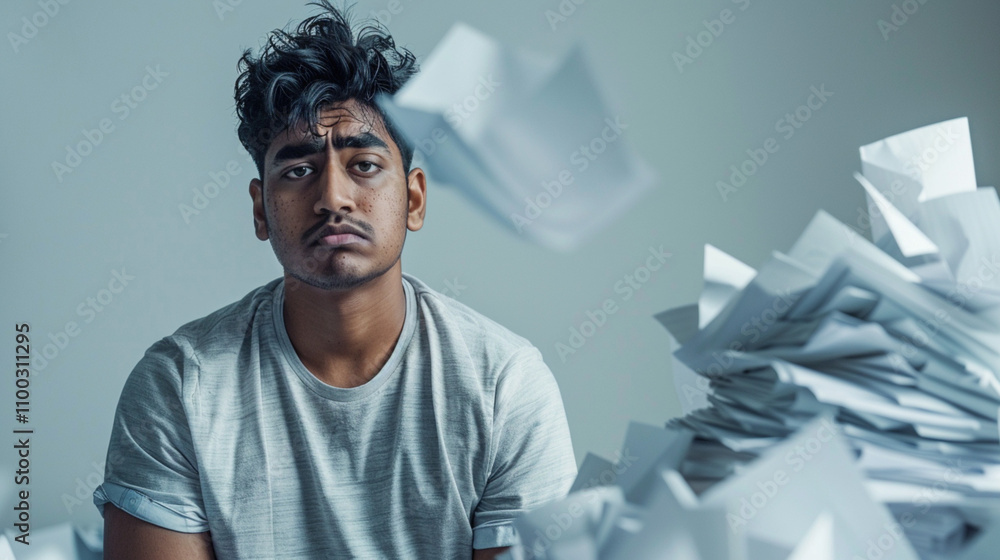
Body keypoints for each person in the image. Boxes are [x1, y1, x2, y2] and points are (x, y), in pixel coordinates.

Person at [93, 2, 577, 558]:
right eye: (297, 170)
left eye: (364, 165)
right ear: (259, 209)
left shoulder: (506, 386)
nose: (332, 198)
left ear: (414, 197)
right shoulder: (179, 386)